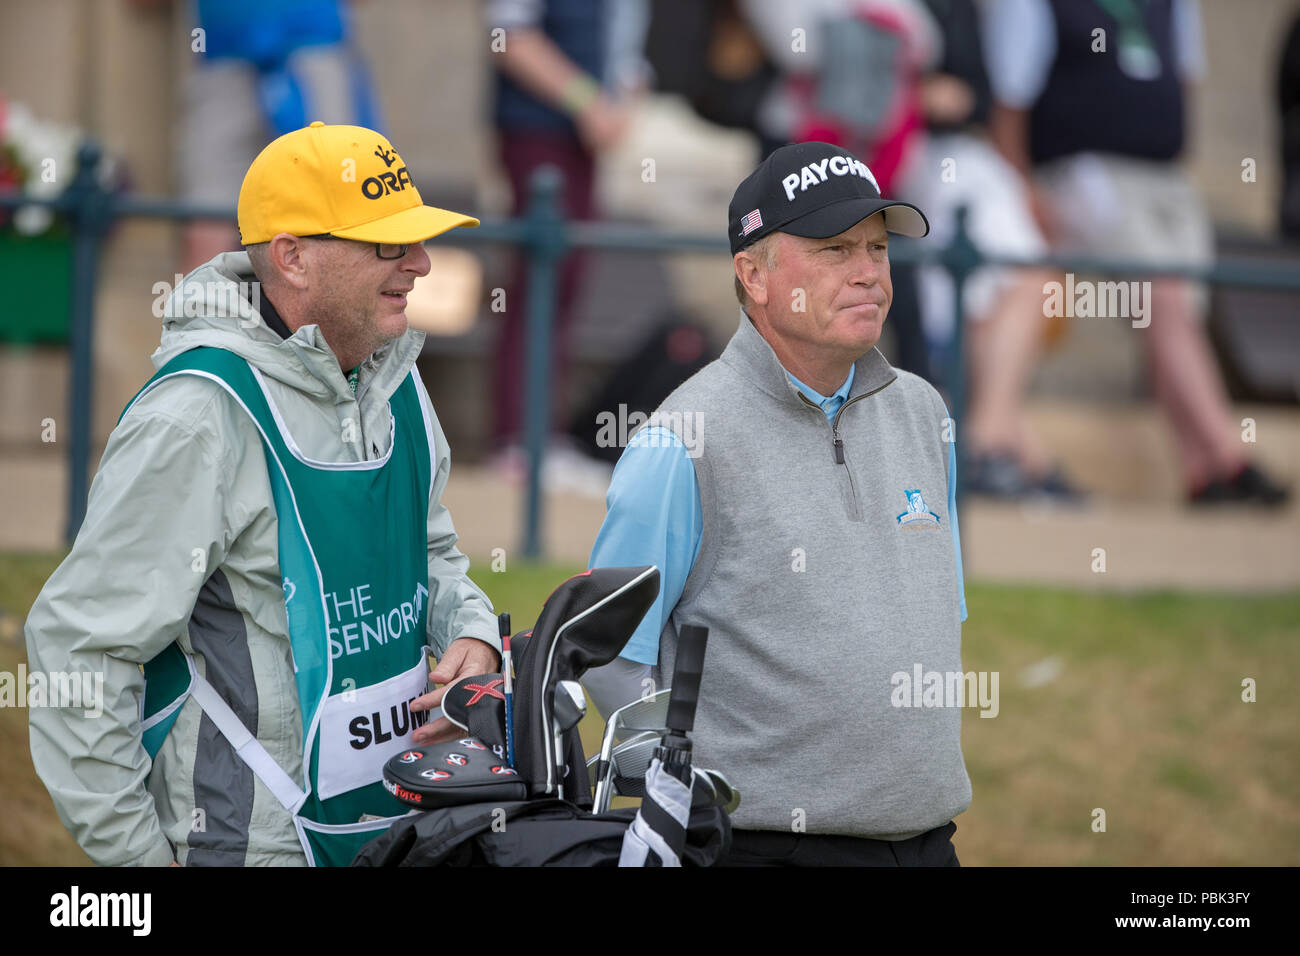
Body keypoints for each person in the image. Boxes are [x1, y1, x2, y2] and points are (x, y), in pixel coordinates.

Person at [24, 122, 500, 867]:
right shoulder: (196, 415)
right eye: (388, 244)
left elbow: (430, 552)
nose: (421, 263)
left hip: (398, 827)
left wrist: (471, 633)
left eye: (417, 239)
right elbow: (80, 649)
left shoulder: (395, 379)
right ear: (292, 256)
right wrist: (139, 860)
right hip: (249, 845)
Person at [582, 141, 971, 866]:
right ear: (753, 276)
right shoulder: (682, 439)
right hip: (758, 847)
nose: (868, 272)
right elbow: (606, 659)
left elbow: (935, 621)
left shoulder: (925, 412)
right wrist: (685, 807)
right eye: (834, 250)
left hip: (928, 841)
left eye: (878, 248)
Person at [983, 0, 1289, 506]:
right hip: (1085, 171)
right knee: (1161, 296)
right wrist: (1022, 188)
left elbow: (1183, 78)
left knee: (1179, 314)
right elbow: (1010, 99)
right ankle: (1228, 455)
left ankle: (1203, 471)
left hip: (1164, 177)